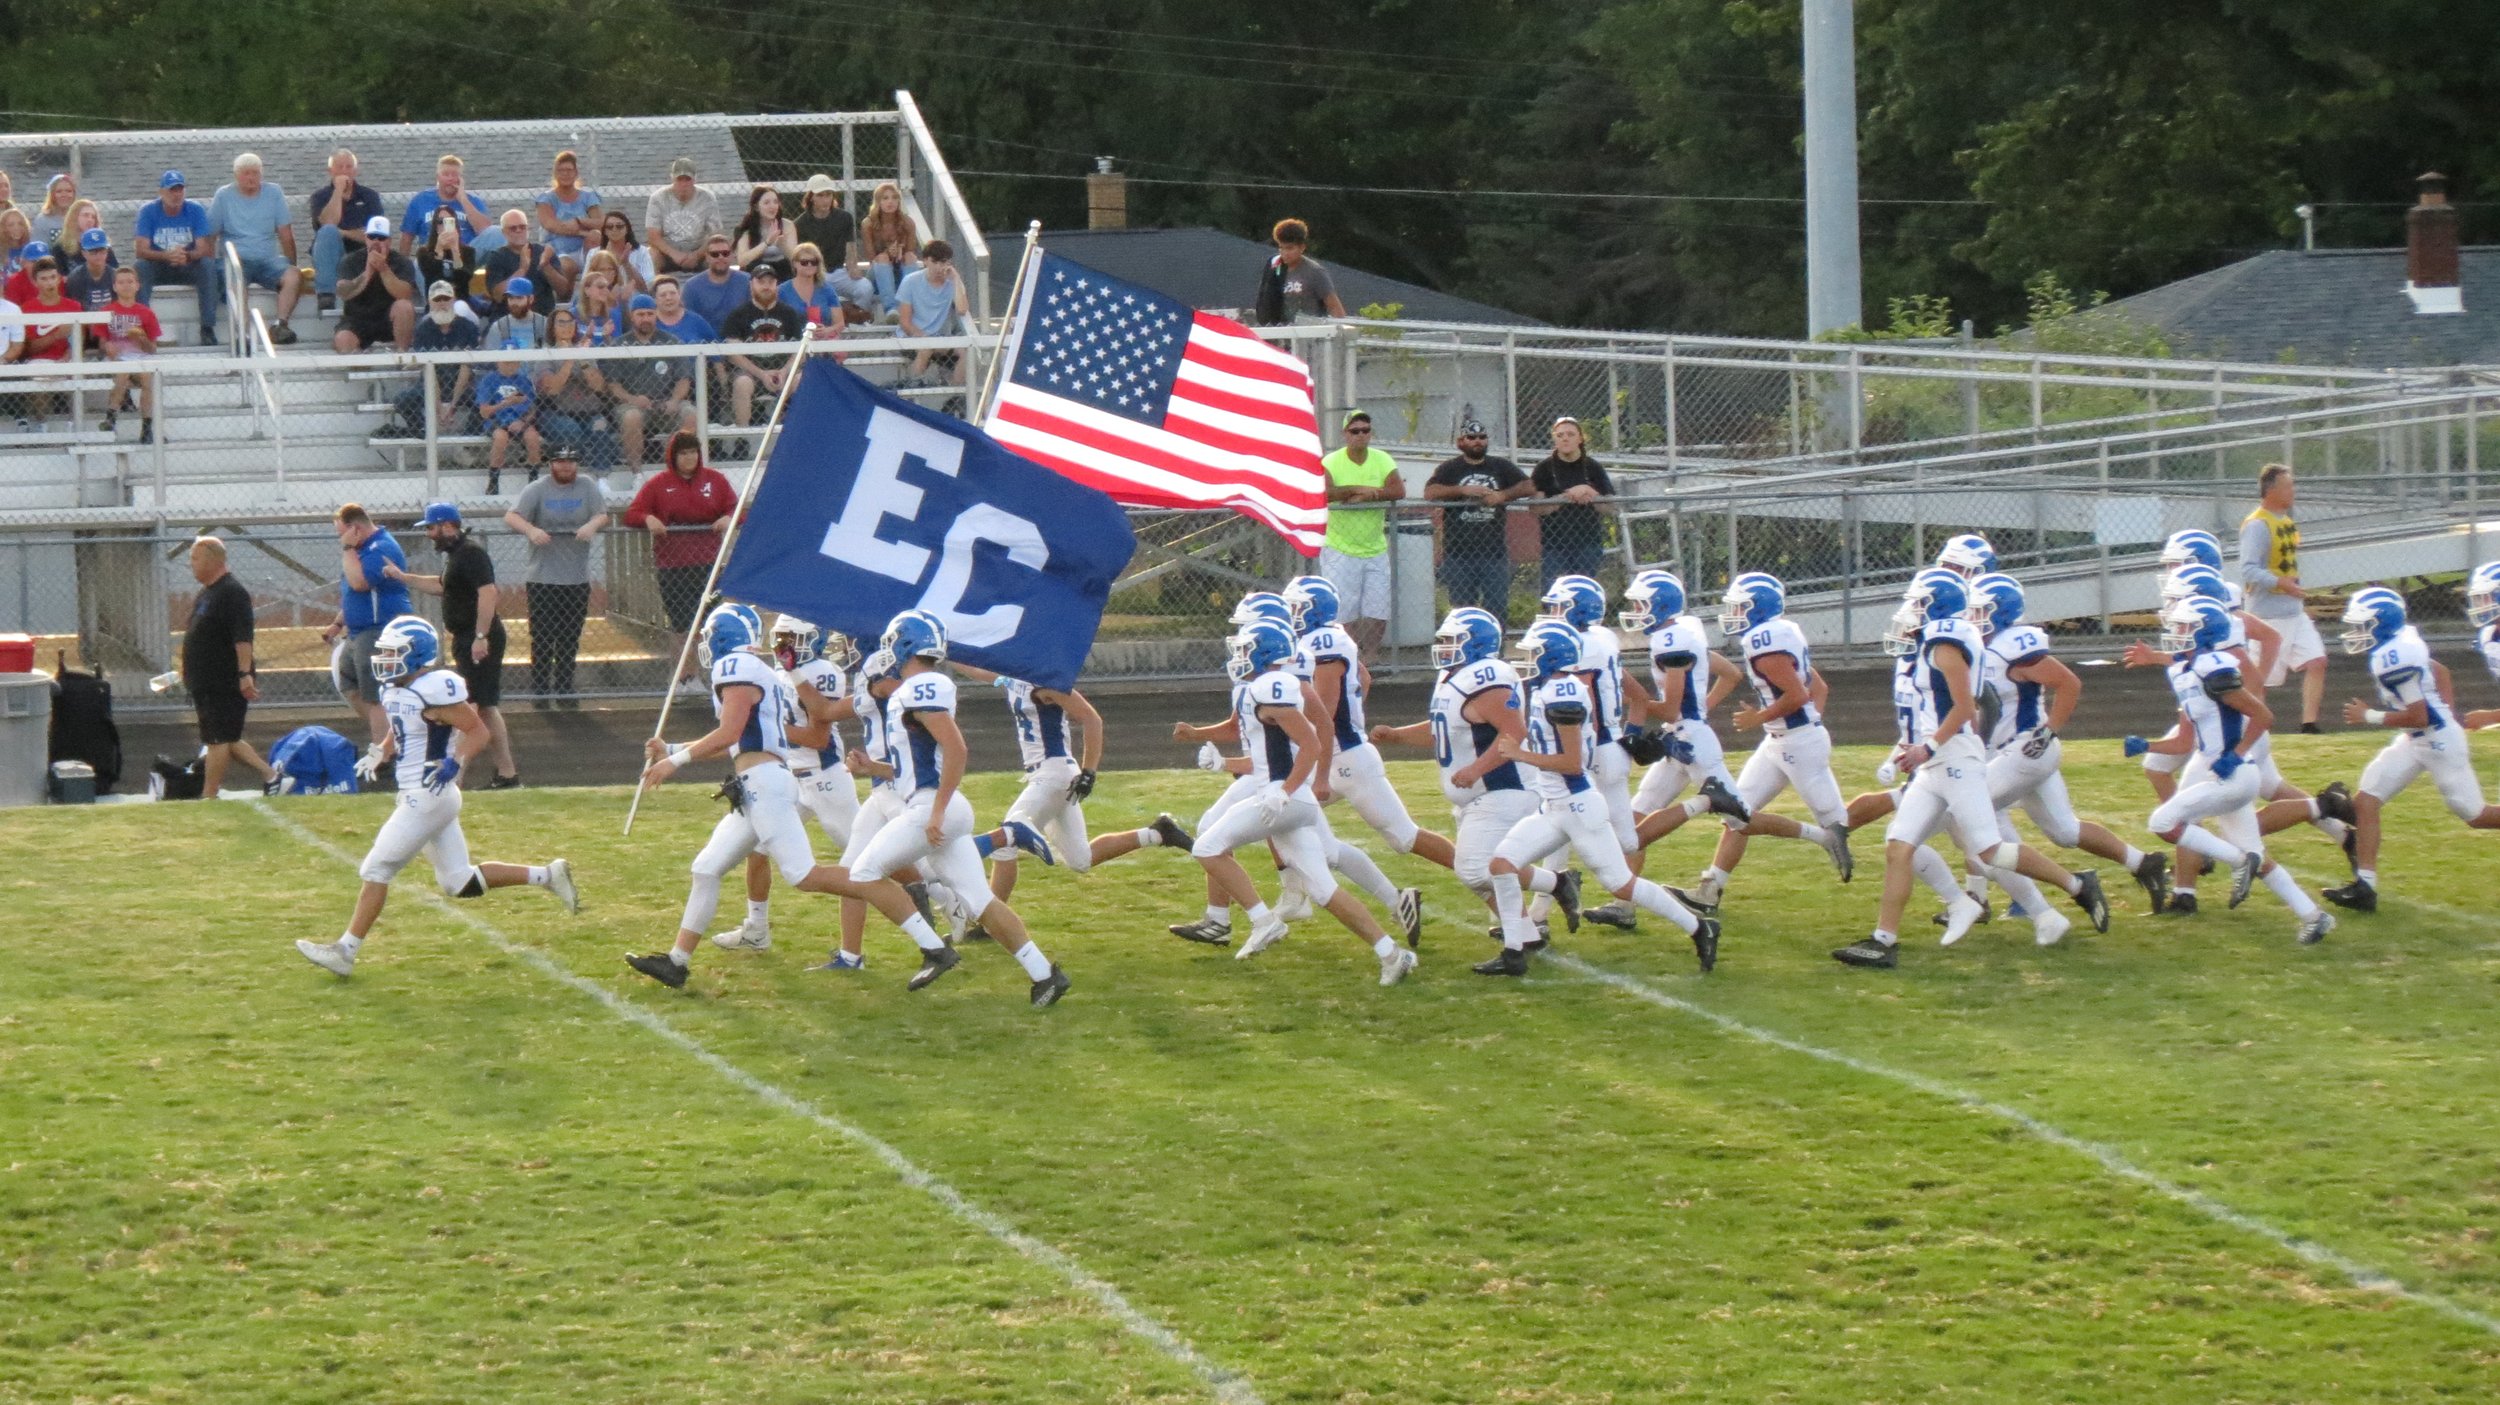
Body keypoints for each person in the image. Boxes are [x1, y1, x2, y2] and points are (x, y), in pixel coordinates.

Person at [628, 605, 945, 988]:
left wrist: (675, 761)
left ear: (721, 637)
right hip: (758, 782)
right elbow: (741, 740)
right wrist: (673, 747)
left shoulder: (737, 667)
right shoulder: (759, 670)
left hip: (766, 783)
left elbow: (730, 733)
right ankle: (677, 962)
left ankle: (931, 943)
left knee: (806, 875)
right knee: (706, 867)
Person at [293, 616, 578, 979]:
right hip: (425, 795)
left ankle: (345, 951)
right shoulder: (395, 688)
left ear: (417, 656)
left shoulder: (433, 689)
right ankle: (548, 876)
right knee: (458, 882)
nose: (384, 659)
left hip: (428, 794)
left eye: (394, 653)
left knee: (376, 868)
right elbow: (403, 727)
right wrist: (381, 751)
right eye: (384, 652)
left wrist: (456, 760)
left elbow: (478, 730)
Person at [1833, 572, 2070, 970]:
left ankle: (2072, 888)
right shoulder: (1937, 643)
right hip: (1937, 760)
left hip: (1954, 757)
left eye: (1920, 602)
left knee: (1989, 849)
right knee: (1899, 845)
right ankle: (1885, 940)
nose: (1912, 611)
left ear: (1937, 605)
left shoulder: (1945, 646)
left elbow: (1964, 708)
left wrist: (1928, 746)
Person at [1175, 616, 1418, 984]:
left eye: (1246, 649)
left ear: (1265, 654)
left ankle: (1264, 922)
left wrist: (1285, 790)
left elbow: (1312, 743)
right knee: (1324, 889)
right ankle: (1393, 954)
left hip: (1286, 802)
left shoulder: (1272, 687)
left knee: (1207, 845)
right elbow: (1266, 759)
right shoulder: (1254, 689)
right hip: (1285, 800)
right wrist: (1223, 763)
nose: (1239, 656)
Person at [2138, 596, 2335, 945]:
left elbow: (2263, 716)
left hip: (2232, 774)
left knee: (2162, 822)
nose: (2175, 632)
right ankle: (2313, 916)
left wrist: (2238, 752)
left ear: (2203, 632)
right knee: (2256, 857)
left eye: (2184, 627)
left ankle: (2237, 860)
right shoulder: (2182, 671)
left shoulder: (2216, 669)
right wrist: (2147, 746)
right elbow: (2185, 740)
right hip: (2215, 767)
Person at [1671, 572, 1855, 914]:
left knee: (1837, 821)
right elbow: (1819, 690)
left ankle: (1899, 806)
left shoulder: (1764, 641)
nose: (1734, 614)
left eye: (1741, 607)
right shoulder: (1777, 634)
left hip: (1796, 744)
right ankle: (1710, 889)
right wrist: (1804, 724)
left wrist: (1765, 718)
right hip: (1782, 741)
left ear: (1758, 608)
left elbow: (1799, 694)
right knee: (1737, 814)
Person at [2322, 588, 2500, 914]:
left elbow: (2419, 715)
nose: (2356, 633)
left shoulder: (2393, 657)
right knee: (2366, 800)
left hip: (2436, 741)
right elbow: (2440, 673)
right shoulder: (2400, 642)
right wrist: (2451, 714)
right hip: (2417, 737)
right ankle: (2366, 886)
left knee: (2475, 815)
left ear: (2381, 624)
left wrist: (2370, 716)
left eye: (2364, 625)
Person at [385, 503, 520, 787]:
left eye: (431, 528)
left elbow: (488, 593)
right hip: (468, 638)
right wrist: (404, 577)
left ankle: (455, 775)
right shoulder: (457, 556)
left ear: (448, 526)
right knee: (485, 706)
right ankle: (507, 774)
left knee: (470, 706)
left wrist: (480, 637)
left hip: (477, 638)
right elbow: (443, 586)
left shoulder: (471, 554)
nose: (429, 534)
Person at [624, 431, 737, 689]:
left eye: (693, 452)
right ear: (673, 457)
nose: (689, 457)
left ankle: (714, 675)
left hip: (708, 562)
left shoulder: (715, 480)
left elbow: (735, 508)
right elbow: (632, 514)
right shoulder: (659, 484)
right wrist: (648, 519)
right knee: (681, 622)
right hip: (673, 564)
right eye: (683, 453)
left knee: (712, 620)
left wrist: (728, 518)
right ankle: (683, 676)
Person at [503, 445, 609, 701]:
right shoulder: (537, 489)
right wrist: (532, 531)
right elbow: (511, 516)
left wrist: (592, 525)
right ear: (551, 463)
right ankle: (540, 689)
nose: (566, 466)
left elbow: (602, 514)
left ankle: (564, 687)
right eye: (560, 461)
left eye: (571, 462)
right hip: (543, 577)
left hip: (576, 578)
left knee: (569, 635)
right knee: (542, 635)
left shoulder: (587, 486)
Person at [180, 536, 277, 797]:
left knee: (218, 739)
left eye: (195, 558)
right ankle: (272, 775)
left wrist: (244, 674)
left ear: (213, 559)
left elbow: (243, 638)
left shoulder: (232, 593)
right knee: (226, 736)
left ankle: (209, 796)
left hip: (223, 680)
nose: (191, 564)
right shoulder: (208, 593)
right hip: (204, 681)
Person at [2240, 463, 2327, 732]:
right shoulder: (2257, 525)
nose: (2294, 491)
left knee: (2317, 661)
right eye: (2288, 485)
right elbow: (2248, 569)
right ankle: (2255, 728)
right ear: (2271, 490)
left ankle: (2309, 726)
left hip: (2293, 612)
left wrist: (2293, 591)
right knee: (2260, 679)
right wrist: (2281, 583)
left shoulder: (2286, 522)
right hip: (2268, 616)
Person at [321, 503, 412, 747]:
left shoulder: (380, 548)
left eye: (342, 533)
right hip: (358, 632)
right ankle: (390, 737)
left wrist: (348, 548)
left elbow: (359, 583)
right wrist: (337, 624)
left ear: (356, 529)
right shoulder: (359, 551)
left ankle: (385, 754)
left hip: (378, 631)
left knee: (375, 696)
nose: (340, 540)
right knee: (348, 682)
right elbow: (353, 594)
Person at [1424, 418, 1532, 620]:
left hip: (1494, 553)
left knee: (1497, 607)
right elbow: (1429, 493)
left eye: (1482, 437)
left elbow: (1529, 486)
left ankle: (1495, 651)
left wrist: (1502, 496)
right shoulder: (1449, 469)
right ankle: (1466, 650)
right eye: (1471, 437)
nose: (1477, 441)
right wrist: (1462, 489)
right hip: (1458, 554)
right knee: (1462, 611)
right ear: (1461, 442)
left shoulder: (1500, 466)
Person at [1316, 410, 1403, 654]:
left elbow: (1397, 490)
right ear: (1345, 434)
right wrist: (1356, 489)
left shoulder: (1382, 459)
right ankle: (1350, 653)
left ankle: (1371, 655)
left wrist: (1371, 494)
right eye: (1355, 431)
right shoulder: (1330, 461)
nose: (1361, 435)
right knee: (1344, 607)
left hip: (1374, 546)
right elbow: (1326, 492)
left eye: (1366, 430)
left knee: (1378, 606)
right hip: (1339, 546)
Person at [208, 153, 304, 343]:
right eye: (246, 173)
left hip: (268, 260)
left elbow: (285, 233)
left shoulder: (273, 193)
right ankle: (244, 334)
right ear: (236, 175)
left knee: (293, 274)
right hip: (237, 260)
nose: (251, 178)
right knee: (236, 278)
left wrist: (291, 263)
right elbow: (211, 235)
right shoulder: (224, 196)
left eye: (255, 173)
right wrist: (210, 268)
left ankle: (280, 325)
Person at [606, 294, 697, 468]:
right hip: (632, 405)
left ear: (656, 315)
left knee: (690, 414)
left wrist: (675, 401)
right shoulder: (620, 344)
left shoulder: (671, 342)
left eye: (650, 314)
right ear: (632, 316)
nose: (645, 319)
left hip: (666, 403)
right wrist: (633, 399)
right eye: (640, 314)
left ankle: (677, 468)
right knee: (631, 417)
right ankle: (636, 471)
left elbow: (683, 379)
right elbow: (613, 385)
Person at [133, 170, 219, 346]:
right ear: (161, 192)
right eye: (172, 190)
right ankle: (144, 328)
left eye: (180, 189)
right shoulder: (148, 211)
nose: (176, 194)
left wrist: (186, 256)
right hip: (159, 265)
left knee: (208, 265)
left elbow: (204, 248)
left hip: (187, 265)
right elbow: (141, 250)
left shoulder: (195, 209)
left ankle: (207, 328)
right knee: (140, 266)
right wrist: (166, 255)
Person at [1530, 416, 1615, 587]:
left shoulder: (1593, 467)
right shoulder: (1543, 469)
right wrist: (1567, 496)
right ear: (1554, 438)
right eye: (1560, 435)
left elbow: (1611, 507)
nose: (1565, 438)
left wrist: (1589, 491)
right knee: (1554, 595)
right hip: (1554, 545)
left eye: (1570, 434)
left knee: (1584, 591)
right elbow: (1535, 509)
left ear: (1580, 438)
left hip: (1588, 542)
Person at [721, 263, 804, 436]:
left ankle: (798, 433)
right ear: (751, 284)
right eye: (761, 282)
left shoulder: (789, 314)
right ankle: (742, 440)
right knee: (742, 383)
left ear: (776, 285)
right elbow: (733, 354)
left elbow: (800, 351)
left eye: (770, 282)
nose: (766, 286)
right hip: (751, 373)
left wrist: (783, 371)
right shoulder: (738, 315)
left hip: (783, 372)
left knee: (801, 378)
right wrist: (761, 374)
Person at [389, 281, 480, 438]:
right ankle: (423, 432)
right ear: (430, 302)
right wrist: (438, 407)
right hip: (430, 382)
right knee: (402, 400)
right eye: (437, 299)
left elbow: (466, 368)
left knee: (485, 400)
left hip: (461, 384)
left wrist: (452, 405)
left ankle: (467, 443)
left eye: (446, 298)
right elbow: (428, 370)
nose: (442, 303)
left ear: (453, 300)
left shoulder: (468, 327)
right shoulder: (423, 329)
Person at [309, 148, 384, 311]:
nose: (344, 171)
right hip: (331, 257)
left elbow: (374, 236)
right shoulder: (320, 197)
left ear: (355, 171)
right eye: (339, 167)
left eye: (349, 167)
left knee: (333, 231)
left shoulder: (369, 197)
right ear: (330, 171)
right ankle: (326, 295)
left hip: (362, 255)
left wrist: (341, 232)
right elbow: (327, 224)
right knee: (328, 232)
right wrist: (337, 192)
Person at [534, 308, 609, 465]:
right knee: (570, 430)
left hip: (588, 410)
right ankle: (576, 469)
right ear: (552, 328)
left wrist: (582, 359)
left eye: (570, 322)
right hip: (555, 411)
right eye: (561, 322)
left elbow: (599, 387)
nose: (567, 326)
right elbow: (552, 389)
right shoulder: (545, 355)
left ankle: (602, 476)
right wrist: (569, 359)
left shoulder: (585, 353)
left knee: (600, 427)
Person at [334, 217, 417, 352]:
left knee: (404, 307)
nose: (376, 241)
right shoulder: (351, 260)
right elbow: (344, 292)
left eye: (381, 238)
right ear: (366, 238)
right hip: (357, 319)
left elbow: (405, 294)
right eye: (372, 237)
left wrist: (383, 269)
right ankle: (360, 369)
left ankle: (402, 356)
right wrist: (368, 272)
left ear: (389, 241)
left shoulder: (401, 262)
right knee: (343, 339)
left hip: (388, 319)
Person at [97, 266, 162, 438]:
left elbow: (152, 349)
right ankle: (111, 417)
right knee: (122, 372)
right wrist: (108, 347)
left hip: (140, 357)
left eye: (130, 282)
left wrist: (140, 337)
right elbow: (102, 342)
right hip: (117, 358)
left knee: (148, 377)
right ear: (114, 287)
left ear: (138, 285)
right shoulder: (106, 312)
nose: (126, 286)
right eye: (121, 282)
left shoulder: (146, 313)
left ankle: (147, 428)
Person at [1251, 217, 1348, 326]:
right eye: (1281, 248)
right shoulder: (1275, 269)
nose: (1285, 253)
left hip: (1310, 335)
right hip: (1281, 334)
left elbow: (1335, 308)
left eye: (1290, 248)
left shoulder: (1315, 272)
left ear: (1302, 247)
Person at [475, 340, 542, 492]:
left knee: (532, 437)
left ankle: (533, 480)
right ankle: (493, 481)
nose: (509, 365)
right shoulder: (489, 380)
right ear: (498, 360)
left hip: (520, 420)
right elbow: (484, 412)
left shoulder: (524, 381)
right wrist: (506, 403)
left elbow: (532, 409)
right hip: (497, 420)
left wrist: (523, 422)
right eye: (506, 361)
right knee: (501, 438)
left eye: (513, 361)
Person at [398, 154, 492, 254]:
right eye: (446, 174)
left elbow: (487, 232)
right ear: (438, 177)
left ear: (461, 179)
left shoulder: (473, 201)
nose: (450, 178)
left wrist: (463, 199)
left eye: (455, 174)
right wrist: (405, 266)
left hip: (466, 256)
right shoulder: (421, 200)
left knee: (495, 232)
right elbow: (407, 237)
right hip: (431, 256)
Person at [644, 157, 722, 276]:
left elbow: (715, 234)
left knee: (718, 253)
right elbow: (653, 236)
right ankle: (654, 290)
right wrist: (674, 254)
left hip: (699, 252)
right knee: (651, 255)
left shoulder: (707, 198)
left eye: (687, 179)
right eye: (679, 179)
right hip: (667, 253)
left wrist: (696, 255)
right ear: (672, 178)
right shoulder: (658, 198)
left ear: (695, 179)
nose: (683, 184)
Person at [534, 150, 602, 279]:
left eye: (569, 170)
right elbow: (552, 226)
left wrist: (579, 221)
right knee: (567, 267)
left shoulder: (588, 196)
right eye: (561, 170)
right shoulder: (546, 199)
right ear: (555, 173)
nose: (565, 174)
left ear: (576, 173)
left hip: (585, 249)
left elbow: (601, 222)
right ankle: (564, 298)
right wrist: (584, 232)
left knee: (597, 237)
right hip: (558, 250)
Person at [483, 209, 566, 311]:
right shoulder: (497, 257)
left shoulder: (544, 252)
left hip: (542, 316)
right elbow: (497, 296)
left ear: (528, 229)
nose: (519, 230)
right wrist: (522, 270)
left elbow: (564, 292)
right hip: (508, 317)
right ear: (503, 232)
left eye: (522, 227)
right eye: (513, 228)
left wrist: (546, 266)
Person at [859, 181, 919, 311]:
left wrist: (900, 252)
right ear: (878, 202)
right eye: (885, 198)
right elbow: (871, 258)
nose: (890, 202)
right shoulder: (868, 223)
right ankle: (891, 309)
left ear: (899, 201)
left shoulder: (907, 222)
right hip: (878, 274)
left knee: (910, 257)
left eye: (894, 197)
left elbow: (910, 251)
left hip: (900, 272)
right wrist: (887, 253)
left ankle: (906, 307)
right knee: (882, 258)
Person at [416, 206, 482, 317]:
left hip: (461, 302)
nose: (444, 226)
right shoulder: (424, 252)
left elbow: (464, 279)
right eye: (441, 221)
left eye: (449, 221)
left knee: (459, 308)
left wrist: (455, 251)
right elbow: (431, 277)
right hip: (436, 303)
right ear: (436, 227)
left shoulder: (468, 252)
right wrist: (439, 250)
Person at [680, 234, 750, 337]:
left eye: (725, 253)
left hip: (742, 343)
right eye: (715, 254)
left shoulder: (748, 281)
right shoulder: (691, 287)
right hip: (706, 346)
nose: (720, 257)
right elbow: (689, 323)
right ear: (707, 257)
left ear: (731, 255)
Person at [730, 185, 798, 284]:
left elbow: (796, 260)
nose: (772, 206)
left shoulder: (787, 225)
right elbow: (742, 260)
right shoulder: (746, 229)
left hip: (782, 275)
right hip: (756, 275)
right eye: (766, 203)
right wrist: (767, 243)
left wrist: (782, 245)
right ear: (756, 207)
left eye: (775, 202)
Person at [793, 174, 857, 271]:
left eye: (828, 194)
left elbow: (850, 246)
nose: (825, 200)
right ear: (811, 197)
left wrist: (853, 269)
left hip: (839, 271)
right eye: (820, 195)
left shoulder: (845, 218)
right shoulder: (800, 223)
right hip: (814, 273)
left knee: (864, 286)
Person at [592, 210, 654, 296]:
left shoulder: (642, 252)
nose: (614, 229)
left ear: (627, 229)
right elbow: (587, 284)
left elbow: (647, 288)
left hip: (634, 299)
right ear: (604, 231)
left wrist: (626, 264)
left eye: (619, 226)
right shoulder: (594, 253)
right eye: (610, 227)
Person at [480, 276, 549, 351]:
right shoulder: (499, 327)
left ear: (531, 299)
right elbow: (490, 358)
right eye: (511, 298)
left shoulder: (545, 324)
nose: (514, 303)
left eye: (519, 298)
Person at [62, 229, 118, 311]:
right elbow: (76, 309)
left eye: (102, 250)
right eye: (93, 251)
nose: (98, 255)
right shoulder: (76, 278)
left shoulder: (114, 276)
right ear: (84, 253)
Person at [650, 274, 714, 345]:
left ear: (679, 295)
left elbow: (717, 348)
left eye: (673, 293)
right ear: (655, 299)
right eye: (663, 295)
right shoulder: (649, 321)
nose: (668, 298)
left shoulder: (696, 321)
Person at [570, 268, 624, 344]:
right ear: (587, 290)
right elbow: (569, 347)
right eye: (601, 287)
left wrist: (607, 337)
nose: (606, 291)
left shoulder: (614, 315)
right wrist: (587, 336)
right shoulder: (573, 314)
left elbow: (617, 349)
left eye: (607, 287)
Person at [27, 173, 75, 245]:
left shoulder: (81, 217)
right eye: (59, 191)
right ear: (52, 195)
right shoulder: (42, 220)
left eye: (68, 191)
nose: (64, 195)